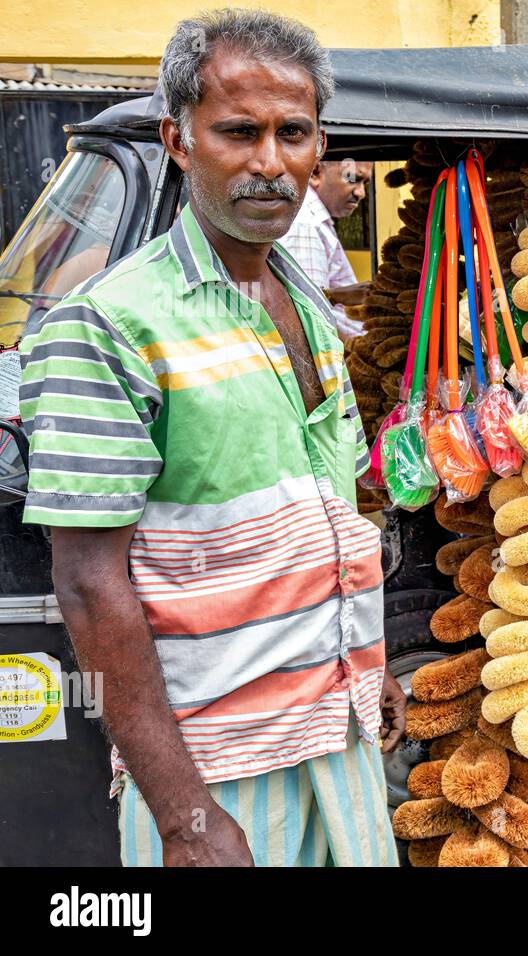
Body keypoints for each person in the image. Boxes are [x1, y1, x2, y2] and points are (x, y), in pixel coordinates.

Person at [18, 8, 404, 866]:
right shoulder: (109, 325)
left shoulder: (303, 302)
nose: (270, 163)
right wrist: (185, 815)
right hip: (219, 765)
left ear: (319, 144)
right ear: (179, 142)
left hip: (337, 738)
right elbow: (87, 584)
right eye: (239, 131)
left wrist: (363, 668)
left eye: (292, 134)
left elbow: (326, 512)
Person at [280, 159, 373, 339]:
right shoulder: (306, 225)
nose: (361, 192)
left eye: (365, 183)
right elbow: (311, 316)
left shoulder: (314, 221)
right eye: (353, 179)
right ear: (315, 173)